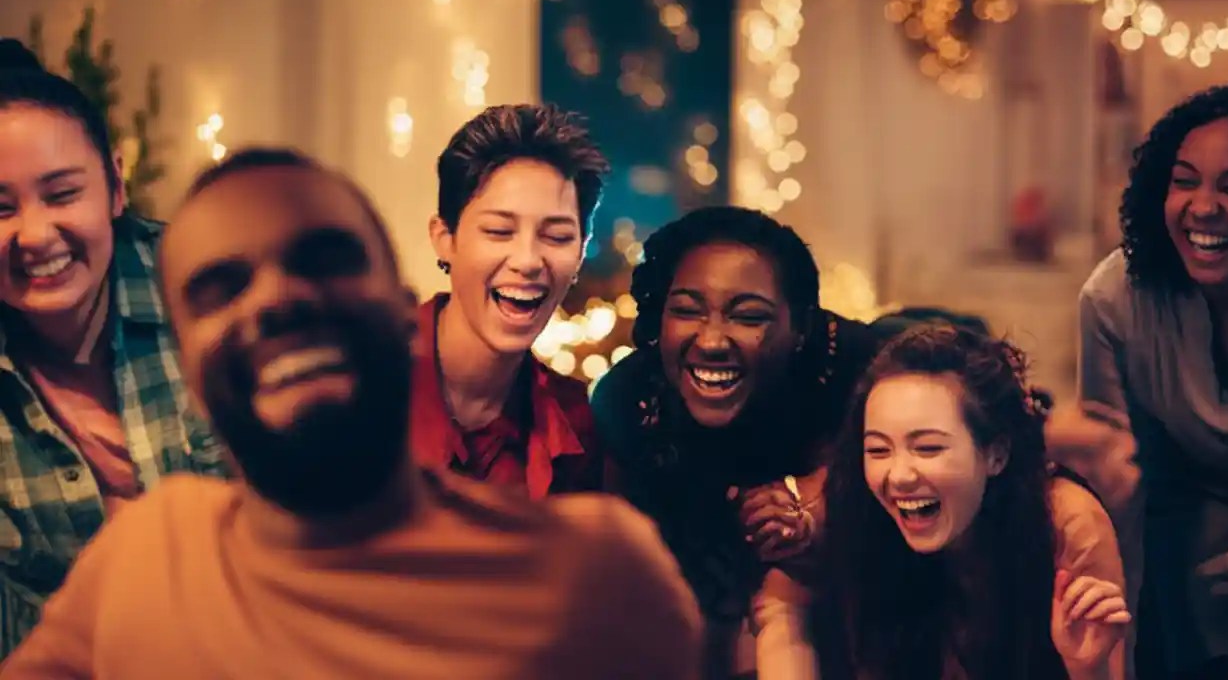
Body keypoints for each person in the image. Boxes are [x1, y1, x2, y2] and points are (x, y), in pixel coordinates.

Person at [0, 147, 702, 679]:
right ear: (187, 371)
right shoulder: (146, 555)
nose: (276, 299)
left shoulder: (599, 576)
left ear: (403, 311)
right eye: (221, 288)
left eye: (324, 259)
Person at [0, 39, 223, 653]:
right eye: (1, 208)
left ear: (116, 186)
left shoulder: (209, 291)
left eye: (62, 194)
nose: (35, 235)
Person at [591, 206, 880, 679]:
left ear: (801, 327)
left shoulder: (865, 370)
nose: (711, 341)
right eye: (686, 310)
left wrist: (819, 498)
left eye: (748, 317)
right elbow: (624, 575)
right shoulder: (627, 402)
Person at [1077, 82, 1228, 676]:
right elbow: (1117, 482)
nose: (1203, 206)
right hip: (1185, 526)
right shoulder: (1115, 299)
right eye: (1184, 181)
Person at [812, 324, 1128, 680]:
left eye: (928, 448)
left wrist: (1086, 668)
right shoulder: (861, 512)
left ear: (996, 454)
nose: (898, 476)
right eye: (878, 450)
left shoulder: (1065, 522)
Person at [411, 104, 607, 499]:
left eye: (556, 237)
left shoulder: (573, 422)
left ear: (581, 253)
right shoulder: (360, 385)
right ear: (445, 238)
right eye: (499, 231)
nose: (528, 261)